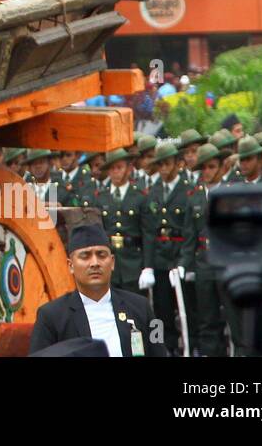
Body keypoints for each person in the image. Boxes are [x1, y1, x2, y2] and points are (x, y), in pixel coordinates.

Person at [28, 223, 166, 357]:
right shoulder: (52, 315)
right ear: (70, 265)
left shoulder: (141, 307)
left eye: (101, 255)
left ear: (112, 262)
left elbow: (159, 350)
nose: (95, 263)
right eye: (85, 256)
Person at [143, 141, 191, 350]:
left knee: (187, 311)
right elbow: (149, 231)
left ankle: (190, 348)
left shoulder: (187, 191)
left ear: (178, 164)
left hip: (179, 258)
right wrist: (148, 265)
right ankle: (166, 349)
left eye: (167, 164)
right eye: (160, 164)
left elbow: (190, 230)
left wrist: (184, 262)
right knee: (161, 312)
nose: (163, 169)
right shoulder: (152, 192)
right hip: (161, 260)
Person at [182, 142, 227, 356]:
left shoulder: (230, 193)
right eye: (204, 168)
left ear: (221, 167)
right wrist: (185, 264)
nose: (207, 172)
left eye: (212, 167)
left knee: (233, 316)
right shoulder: (195, 196)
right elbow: (189, 235)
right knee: (206, 317)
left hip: (227, 263)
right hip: (204, 262)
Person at [93, 148, 150, 296]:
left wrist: (148, 267)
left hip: (133, 260)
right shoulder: (101, 197)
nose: (115, 172)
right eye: (112, 168)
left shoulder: (139, 196)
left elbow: (147, 233)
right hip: (109, 262)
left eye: (119, 167)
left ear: (129, 168)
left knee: (134, 308)